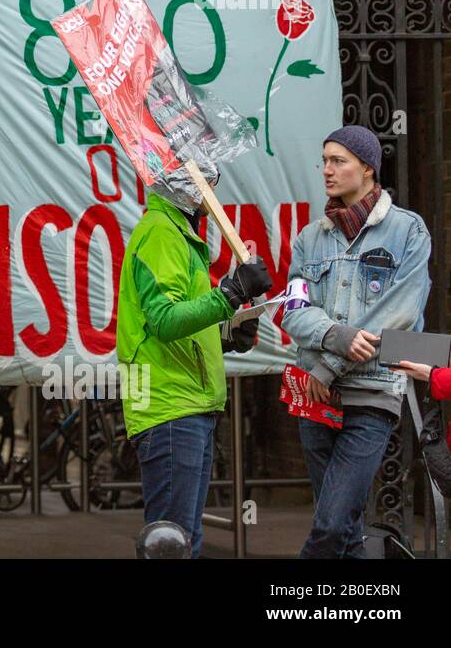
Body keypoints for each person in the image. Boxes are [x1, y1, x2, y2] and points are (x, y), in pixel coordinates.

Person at [281, 125, 432, 558]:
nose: (326, 170)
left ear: (367, 168)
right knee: (344, 531)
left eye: (338, 161)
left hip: (372, 392)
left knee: (330, 524)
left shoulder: (408, 231)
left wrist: (331, 363)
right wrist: (333, 335)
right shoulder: (311, 238)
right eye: (324, 160)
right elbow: (294, 307)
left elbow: (401, 312)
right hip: (315, 399)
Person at [116, 165, 272, 558]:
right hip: (171, 408)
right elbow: (166, 320)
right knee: (171, 543)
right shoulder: (161, 234)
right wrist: (231, 292)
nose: (213, 191)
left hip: (187, 405)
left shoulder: (178, 235)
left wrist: (227, 335)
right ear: (182, 185)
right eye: (206, 180)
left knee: (183, 540)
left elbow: (181, 325)